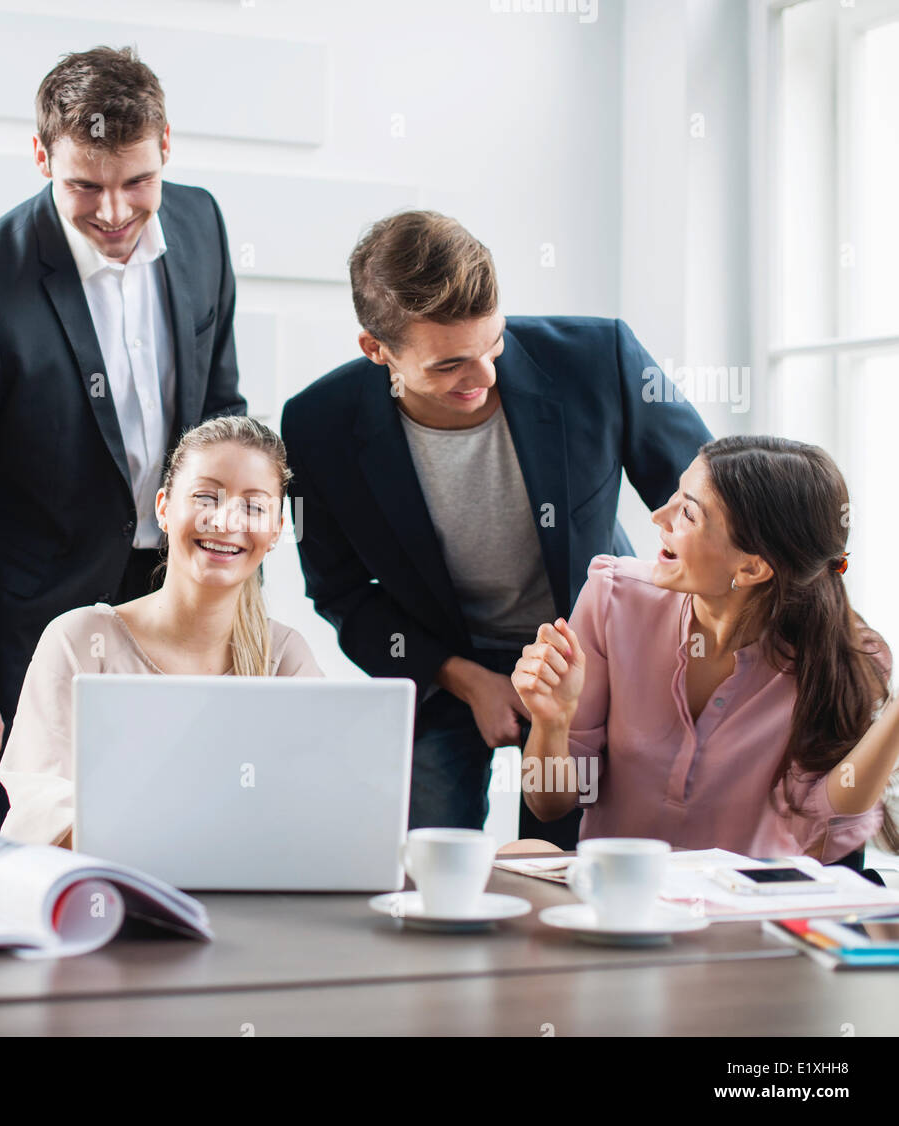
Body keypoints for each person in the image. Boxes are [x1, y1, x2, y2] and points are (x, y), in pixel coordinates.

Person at [0, 47, 246, 841]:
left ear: (166, 145)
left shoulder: (202, 225)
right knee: (15, 869)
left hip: (177, 613)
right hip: (28, 639)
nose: (115, 212)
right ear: (41, 156)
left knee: (182, 851)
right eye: (85, 186)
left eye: (137, 182)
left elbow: (222, 411)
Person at [280, 210, 712, 848]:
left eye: (494, 345)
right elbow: (341, 593)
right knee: (424, 860)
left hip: (592, 653)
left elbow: (711, 502)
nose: (485, 378)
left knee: (569, 858)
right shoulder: (316, 424)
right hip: (442, 664)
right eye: (449, 365)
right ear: (376, 350)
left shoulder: (600, 358)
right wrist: (464, 678)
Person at [510, 436, 899, 864]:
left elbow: (820, 834)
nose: (659, 516)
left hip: (745, 896)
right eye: (675, 496)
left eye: (689, 513)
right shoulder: (613, 598)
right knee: (522, 851)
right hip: (619, 887)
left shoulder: (847, 654)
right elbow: (551, 804)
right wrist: (552, 721)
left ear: (751, 567)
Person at [0, 416, 323, 848]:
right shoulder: (79, 642)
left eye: (254, 506)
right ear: (164, 509)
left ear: (276, 530)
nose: (226, 521)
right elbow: (39, 809)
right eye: (206, 496)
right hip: (109, 883)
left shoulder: (283, 657)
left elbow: (315, 805)